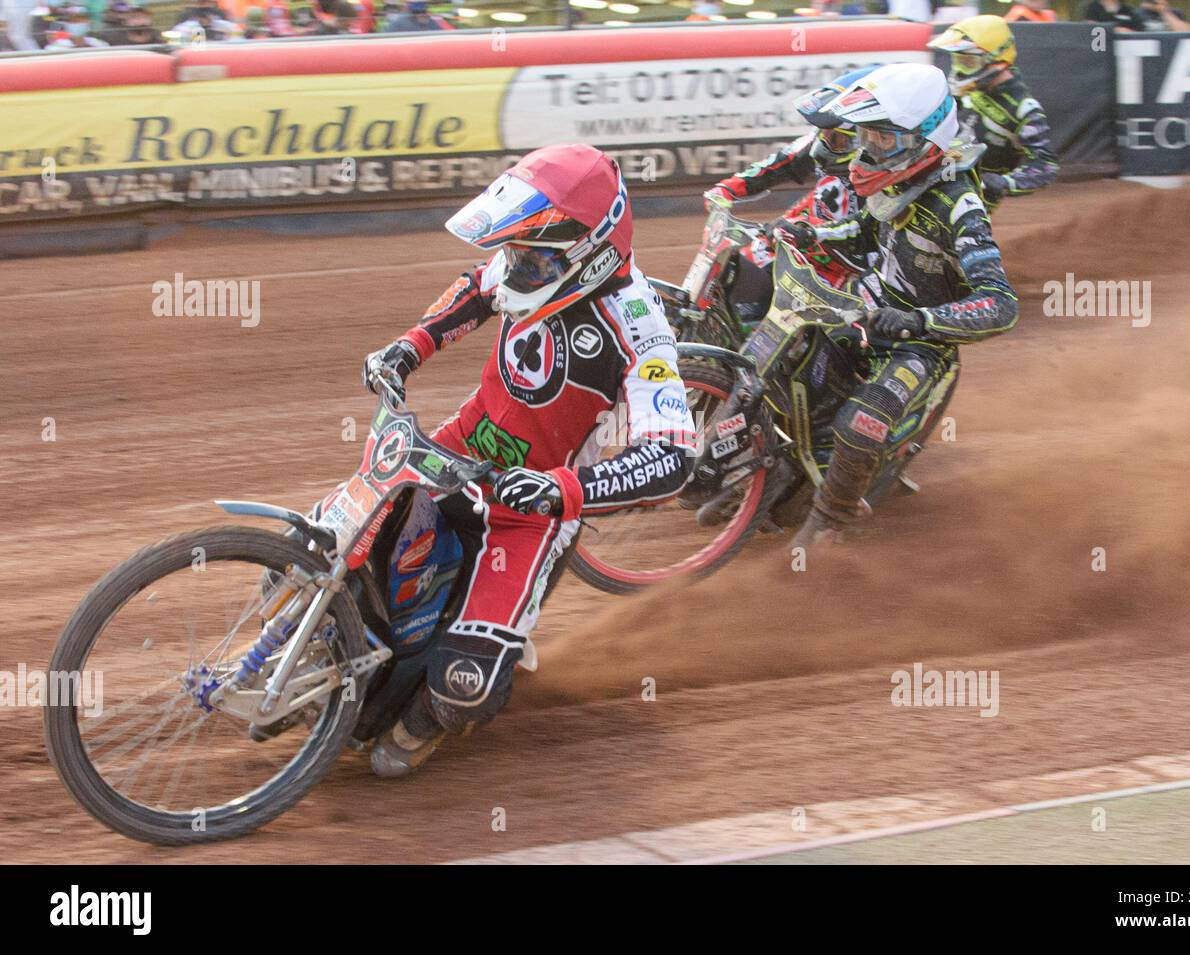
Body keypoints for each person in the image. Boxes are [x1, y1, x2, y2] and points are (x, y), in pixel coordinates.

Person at [364, 144, 697, 776]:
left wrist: (559, 491)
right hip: (452, 454)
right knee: (339, 545)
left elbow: (672, 457)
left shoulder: (638, 325)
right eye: (514, 251)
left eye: (532, 257)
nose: (513, 268)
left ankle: (433, 713)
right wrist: (406, 349)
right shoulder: (530, 262)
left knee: (463, 685)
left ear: (586, 253)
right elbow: (474, 288)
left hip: (528, 513)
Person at [781, 63, 1018, 547]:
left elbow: (1000, 304)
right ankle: (767, 471)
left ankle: (831, 519)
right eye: (867, 136)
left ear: (924, 138)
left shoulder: (959, 207)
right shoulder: (894, 182)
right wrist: (811, 235)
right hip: (868, 310)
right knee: (788, 356)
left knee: (859, 422)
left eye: (883, 140)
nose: (869, 149)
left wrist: (919, 320)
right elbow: (867, 237)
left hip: (921, 345)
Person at [703, 67, 878, 325]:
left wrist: (812, 232)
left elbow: (872, 237)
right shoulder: (820, 143)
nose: (828, 144)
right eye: (826, 135)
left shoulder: (886, 179)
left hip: (846, 269)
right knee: (732, 276)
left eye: (839, 140)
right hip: (794, 242)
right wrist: (729, 188)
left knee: (793, 331)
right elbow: (779, 163)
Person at [928, 15, 1058, 206]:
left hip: (968, 202)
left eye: (968, 62)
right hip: (932, 180)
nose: (961, 69)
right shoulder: (964, 91)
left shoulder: (1023, 109)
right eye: (958, 60)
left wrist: (1003, 182)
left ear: (995, 58)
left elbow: (1046, 166)